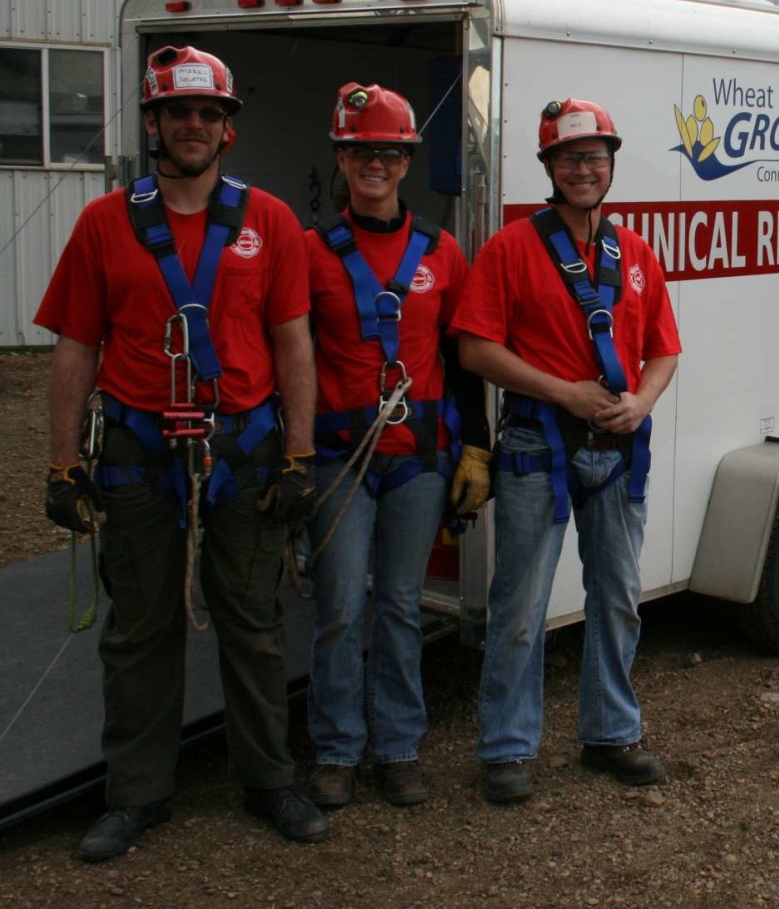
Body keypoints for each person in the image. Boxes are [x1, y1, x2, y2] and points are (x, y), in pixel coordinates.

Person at [37, 45, 324, 861]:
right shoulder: (105, 222)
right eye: (179, 113)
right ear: (154, 121)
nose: (194, 126)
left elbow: (293, 343)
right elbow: (73, 348)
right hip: (138, 450)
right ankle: (135, 794)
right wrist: (62, 463)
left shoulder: (268, 221)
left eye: (209, 114)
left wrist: (298, 454)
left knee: (255, 624)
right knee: (138, 631)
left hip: (244, 450)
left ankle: (269, 781)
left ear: (227, 129)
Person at [452, 97, 680, 804]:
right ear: (548, 166)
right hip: (536, 445)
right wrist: (564, 393)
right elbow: (475, 348)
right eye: (570, 159)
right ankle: (506, 748)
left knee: (617, 598)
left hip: (616, 448)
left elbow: (664, 350)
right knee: (519, 603)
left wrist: (640, 402)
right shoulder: (511, 249)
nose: (584, 170)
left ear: (610, 165)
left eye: (594, 158)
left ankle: (610, 732)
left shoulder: (634, 254)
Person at [302, 83, 491, 809]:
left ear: (407, 161)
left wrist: (474, 451)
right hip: (338, 458)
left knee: (402, 608)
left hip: (417, 458)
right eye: (359, 152)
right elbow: (290, 356)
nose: (373, 164)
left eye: (387, 152)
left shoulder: (442, 253)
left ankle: (399, 747)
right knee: (342, 606)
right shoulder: (311, 252)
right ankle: (337, 750)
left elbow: (465, 357)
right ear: (342, 159)